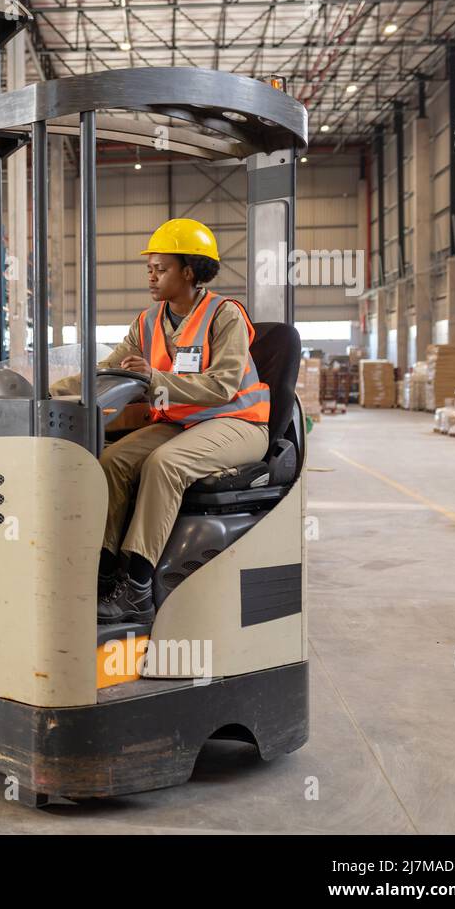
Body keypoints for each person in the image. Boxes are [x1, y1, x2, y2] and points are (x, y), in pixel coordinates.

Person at [90, 218, 271, 625]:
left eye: (161, 268)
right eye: (149, 268)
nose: (151, 276)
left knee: (165, 464)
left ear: (189, 271)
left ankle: (136, 589)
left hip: (238, 422)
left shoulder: (224, 316)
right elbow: (108, 369)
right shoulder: (149, 322)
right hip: (184, 422)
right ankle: (102, 575)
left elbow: (223, 386)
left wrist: (155, 378)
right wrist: (52, 389)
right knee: (111, 462)